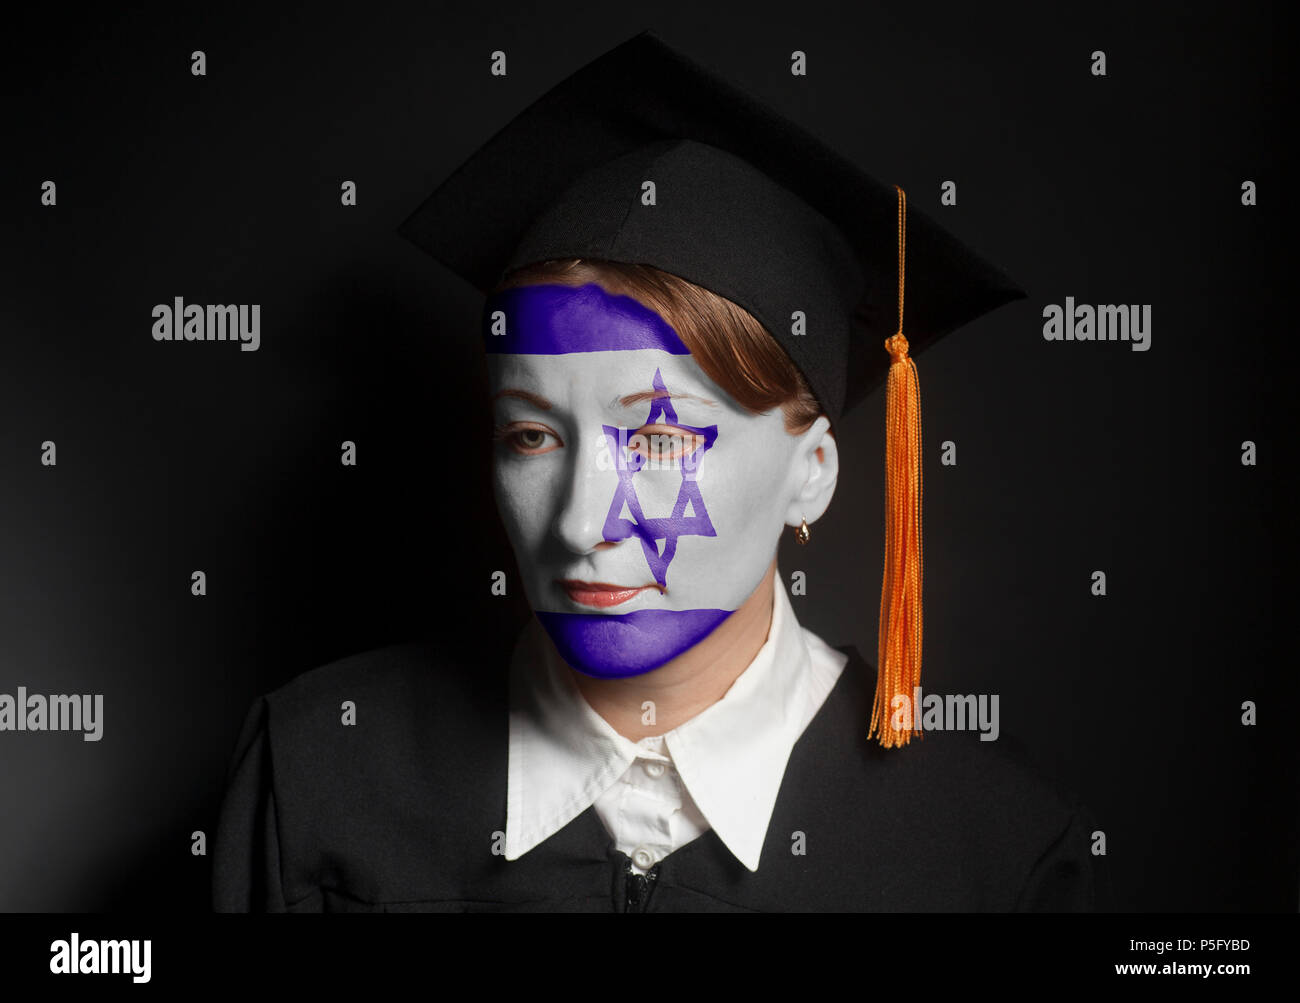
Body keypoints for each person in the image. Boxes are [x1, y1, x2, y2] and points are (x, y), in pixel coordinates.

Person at [212, 30, 1108, 912]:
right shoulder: (323, 775)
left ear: (814, 472)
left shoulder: (985, 851)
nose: (577, 520)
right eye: (533, 436)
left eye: (661, 443)